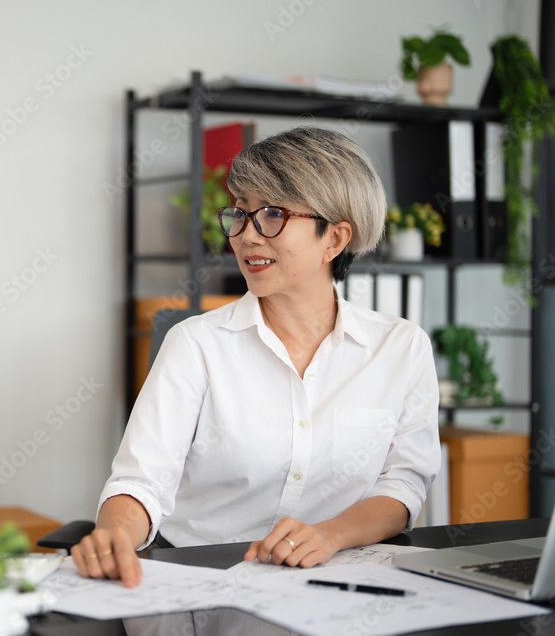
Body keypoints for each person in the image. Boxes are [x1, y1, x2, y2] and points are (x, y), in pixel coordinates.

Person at [73, 126, 441, 588]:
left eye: (272, 215)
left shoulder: (401, 348)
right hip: (203, 584)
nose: (246, 236)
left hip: (335, 586)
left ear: (335, 238)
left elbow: (403, 485)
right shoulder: (195, 345)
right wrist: (115, 538)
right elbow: (140, 483)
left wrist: (330, 535)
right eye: (240, 213)